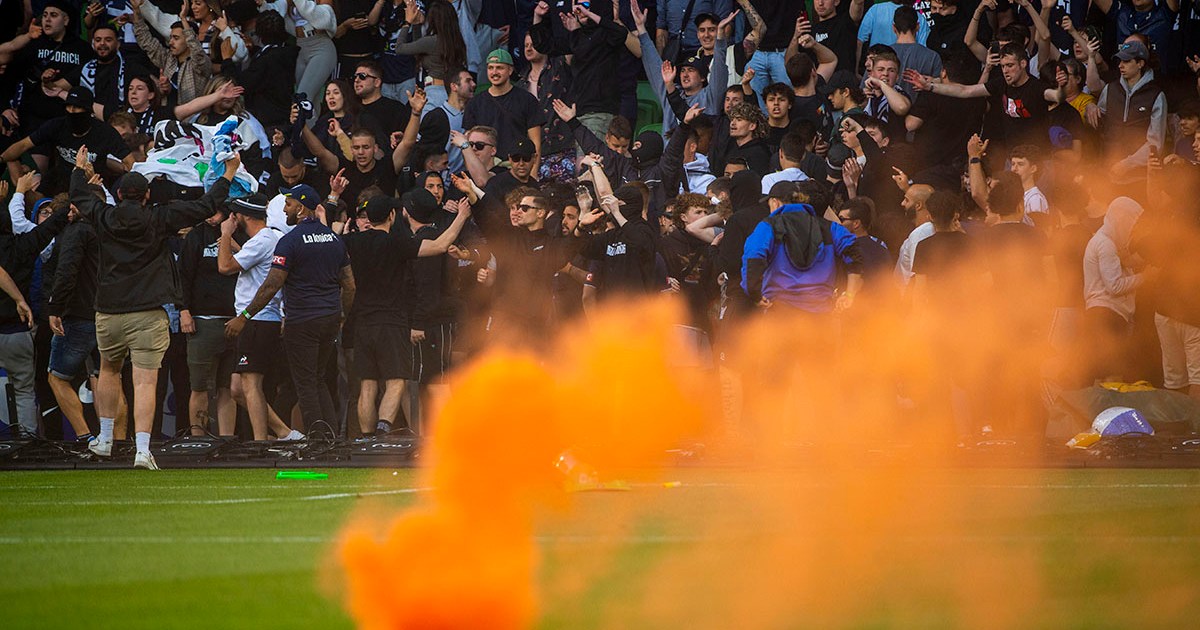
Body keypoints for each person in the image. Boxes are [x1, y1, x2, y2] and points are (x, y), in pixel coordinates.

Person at [70, 145, 239, 469]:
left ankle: (105, 438)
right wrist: (229, 173)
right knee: (145, 381)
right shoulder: (158, 217)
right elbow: (206, 205)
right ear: (147, 196)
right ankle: (142, 449)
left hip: (109, 310)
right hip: (147, 312)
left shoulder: (104, 215)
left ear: (119, 196)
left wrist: (80, 170)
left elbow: (80, 197)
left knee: (108, 370)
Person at [225, 183, 355, 432]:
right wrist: (341, 316)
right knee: (318, 379)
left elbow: (272, 284)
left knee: (305, 382)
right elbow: (350, 285)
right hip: (329, 318)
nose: (284, 210)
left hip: (302, 320)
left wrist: (245, 316)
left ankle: (317, 439)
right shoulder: (334, 240)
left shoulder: (290, 241)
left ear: (301, 208)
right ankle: (331, 438)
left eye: (288, 204)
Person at [343, 192, 472, 436]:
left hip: (363, 323)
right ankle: (382, 433)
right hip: (391, 322)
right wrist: (461, 217)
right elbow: (440, 245)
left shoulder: (353, 242)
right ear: (391, 215)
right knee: (396, 380)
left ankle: (368, 439)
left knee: (367, 385)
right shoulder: (396, 242)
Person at [216, 194, 301, 441]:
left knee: (251, 385)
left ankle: (260, 442)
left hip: (256, 319)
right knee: (237, 389)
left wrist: (226, 235)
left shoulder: (263, 239)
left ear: (244, 216)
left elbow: (224, 267)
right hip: (260, 319)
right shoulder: (267, 239)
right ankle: (284, 432)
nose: (232, 218)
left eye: (235, 215)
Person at [0, 190, 71, 437]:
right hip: (17, 330)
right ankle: (28, 442)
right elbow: (48, 229)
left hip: (18, 328)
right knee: (24, 389)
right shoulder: (23, 246)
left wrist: (16, 193)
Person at [742, 182, 865, 314]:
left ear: (774, 202)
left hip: (779, 313)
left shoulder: (768, 227)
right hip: (821, 313)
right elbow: (853, 252)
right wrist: (850, 294)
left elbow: (754, 256)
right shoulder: (830, 228)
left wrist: (754, 294)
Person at [2, 87, 132, 191]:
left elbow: (130, 161)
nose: (71, 111)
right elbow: (24, 145)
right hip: (60, 179)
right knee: (33, 197)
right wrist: (2, 158)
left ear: (87, 110)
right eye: (68, 106)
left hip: (92, 183)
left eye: (76, 107)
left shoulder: (105, 132)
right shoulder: (57, 125)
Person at [1083, 197, 1147, 382]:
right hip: (1107, 317)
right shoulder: (1105, 244)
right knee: (1111, 375)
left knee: (1103, 373)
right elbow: (1114, 285)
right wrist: (1145, 278)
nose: (1132, 229)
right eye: (1131, 223)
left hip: (1107, 316)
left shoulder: (1106, 241)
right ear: (1121, 220)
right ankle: (1108, 409)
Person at [1094, 41, 1166, 180]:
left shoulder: (1156, 95)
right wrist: (1090, 107)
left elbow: (1155, 144)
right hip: (1106, 173)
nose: (1121, 65)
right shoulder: (1110, 89)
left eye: (1126, 61)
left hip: (1137, 178)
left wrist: (1127, 164)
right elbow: (1098, 122)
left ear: (1140, 64)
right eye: (1120, 60)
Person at [462, 48, 545, 165]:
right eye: (490, 68)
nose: (494, 72)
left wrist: (533, 174)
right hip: (486, 168)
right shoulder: (475, 103)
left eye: (499, 68)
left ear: (510, 70)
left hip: (517, 166)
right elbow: (469, 144)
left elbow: (535, 142)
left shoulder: (527, 99)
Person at [389, 0, 467, 113]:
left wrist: (407, 22)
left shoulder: (432, 41)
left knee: (427, 129)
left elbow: (399, 48)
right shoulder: (456, 41)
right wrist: (416, 25)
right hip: (452, 91)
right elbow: (418, 51)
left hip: (435, 92)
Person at [130, 0, 212, 107]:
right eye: (171, 37)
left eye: (176, 38)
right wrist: (136, 11)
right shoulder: (168, 58)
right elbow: (145, 40)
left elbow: (197, 51)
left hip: (193, 119)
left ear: (189, 39)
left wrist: (183, 19)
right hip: (167, 117)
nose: (171, 42)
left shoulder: (200, 63)